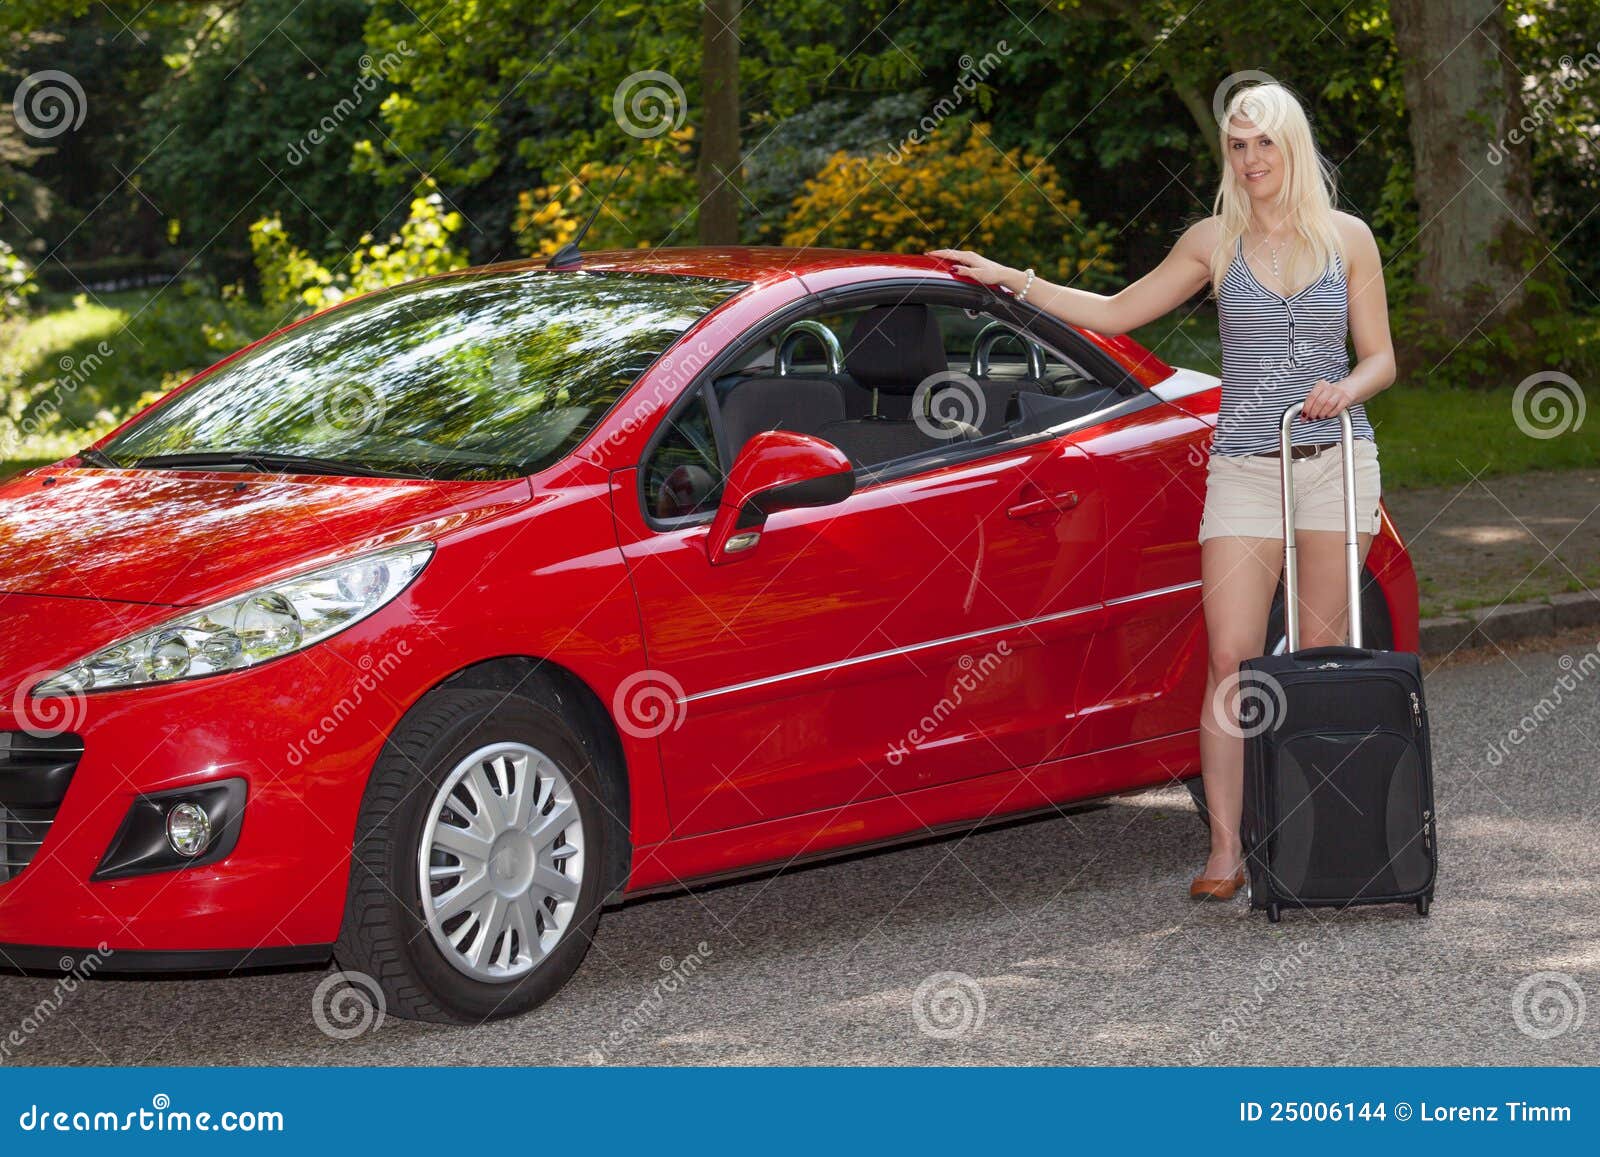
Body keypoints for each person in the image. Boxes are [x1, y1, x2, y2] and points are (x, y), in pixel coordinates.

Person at [929, 80, 1395, 901]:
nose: (1250, 159)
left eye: (1264, 143)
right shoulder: (1214, 240)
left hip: (1334, 462)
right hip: (1246, 468)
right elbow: (1114, 312)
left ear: (1292, 145)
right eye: (1237, 145)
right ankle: (1225, 850)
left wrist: (1347, 391)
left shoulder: (1348, 239)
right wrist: (1014, 279)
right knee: (1229, 657)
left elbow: (1381, 359)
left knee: (1323, 660)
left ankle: (1329, 838)